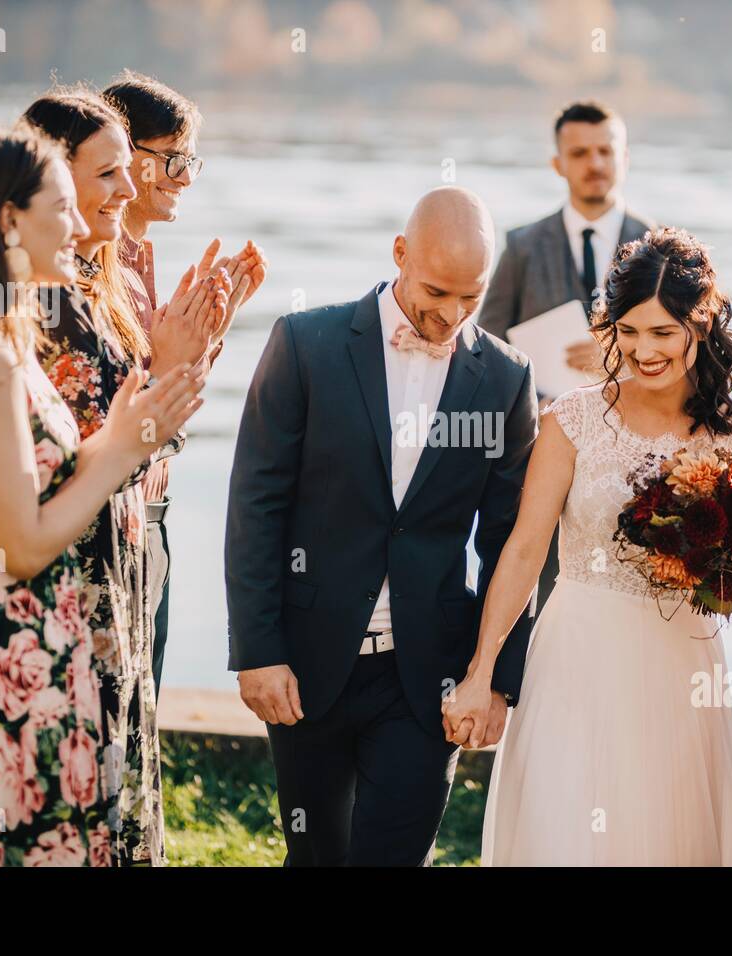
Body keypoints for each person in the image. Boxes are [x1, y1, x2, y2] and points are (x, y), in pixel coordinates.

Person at [0, 126, 203, 866]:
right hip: (2, 644)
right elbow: (23, 542)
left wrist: (122, 432)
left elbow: (31, 483)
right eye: (63, 205)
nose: (83, 224)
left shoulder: (5, 341)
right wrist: (121, 451)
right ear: (8, 221)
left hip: (24, 630)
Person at [225, 187, 537, 866]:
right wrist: (257, 649)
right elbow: (256, 504)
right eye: (437, 291)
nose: (452, 315)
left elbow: (514, 544)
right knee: (315, 858)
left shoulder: (508, 379)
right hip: (306, 665)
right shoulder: (305, 343)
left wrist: (496, 679)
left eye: (471, 297)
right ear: (400, 253)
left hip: (427, 677)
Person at [448, 227, 732, 865]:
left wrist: (712, 555)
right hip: (575, 658)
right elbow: (522, 550)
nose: (642, 351)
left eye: (662, 333)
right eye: (628, 332)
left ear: (700, 326)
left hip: (681, 666)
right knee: (564, 829)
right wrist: (480, 672)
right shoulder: (571, 419)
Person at [24, 86, 224, 865]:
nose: (136, 189)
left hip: (124, 539)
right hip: (75, 555)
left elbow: (140, 422)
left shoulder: (96, 277)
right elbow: (91, 438)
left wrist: (194, 351)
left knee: (119, 744)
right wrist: (173, 368)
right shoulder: (42, 294)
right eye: (113, 173)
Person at [103, 70, 267, 696]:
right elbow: (117, 400)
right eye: (171, 160)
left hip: (151, 515)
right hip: (113, 515)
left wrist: (213, 327)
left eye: (190, 161)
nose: (183, 178)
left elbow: (171, 396)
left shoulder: (142, 258)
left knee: (143, 702)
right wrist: (189, 344)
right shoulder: (97, 267)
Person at [477, 99, 654, 611]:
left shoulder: (658, 245)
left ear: (625, 157)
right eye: (580, 153)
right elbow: (486, 346)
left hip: (634, 448)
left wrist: (618, 356)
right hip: (539, 446)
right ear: (558, 163)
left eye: (605, 151)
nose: (594, 163)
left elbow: (690, 348)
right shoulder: (523, 246)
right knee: (541, 588)